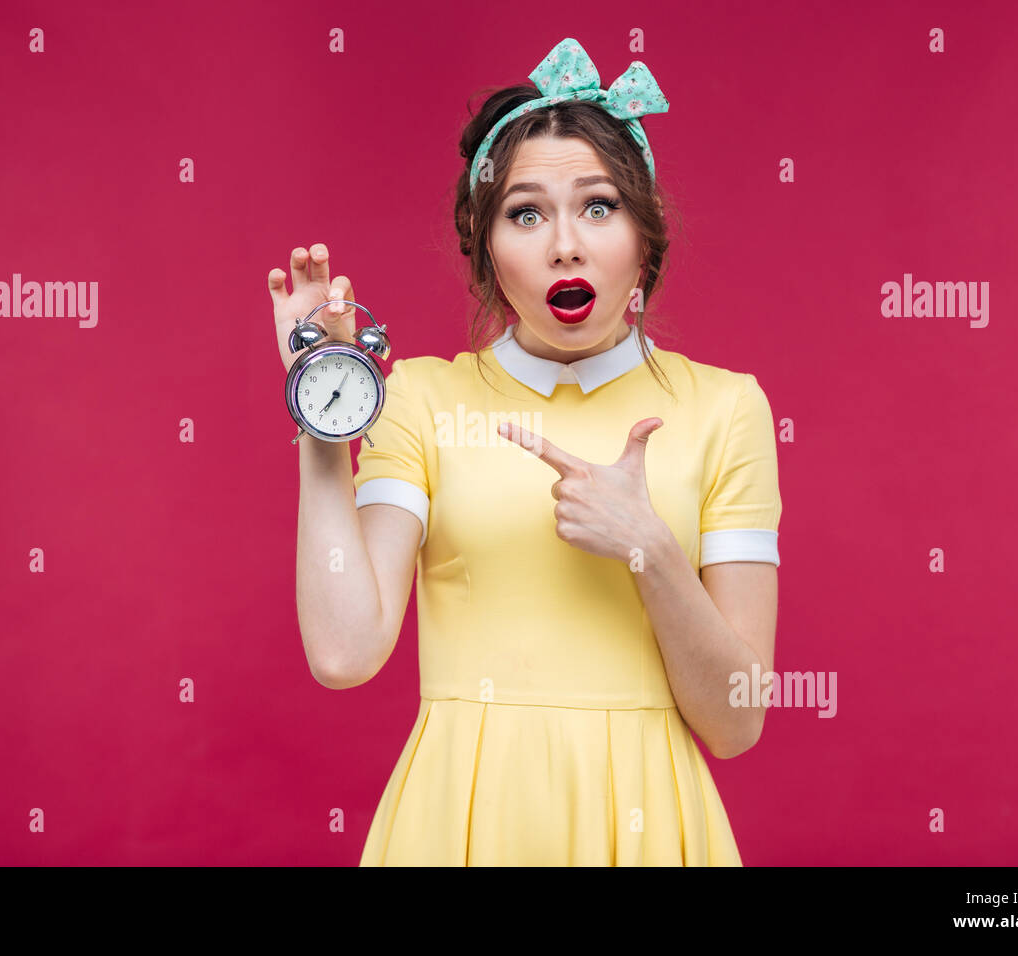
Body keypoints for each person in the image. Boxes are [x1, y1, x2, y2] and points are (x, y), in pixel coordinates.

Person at [267, 37, 781, 866]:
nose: (565, 245)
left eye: (600, 206)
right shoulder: (423, 400)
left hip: (648, 824)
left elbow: (738, 718)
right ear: (487, 247)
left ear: (645, 238)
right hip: (459, 823)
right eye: (527, 212)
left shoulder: (727, 408)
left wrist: (647, 547)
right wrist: (325, 417)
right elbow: (343, 652)